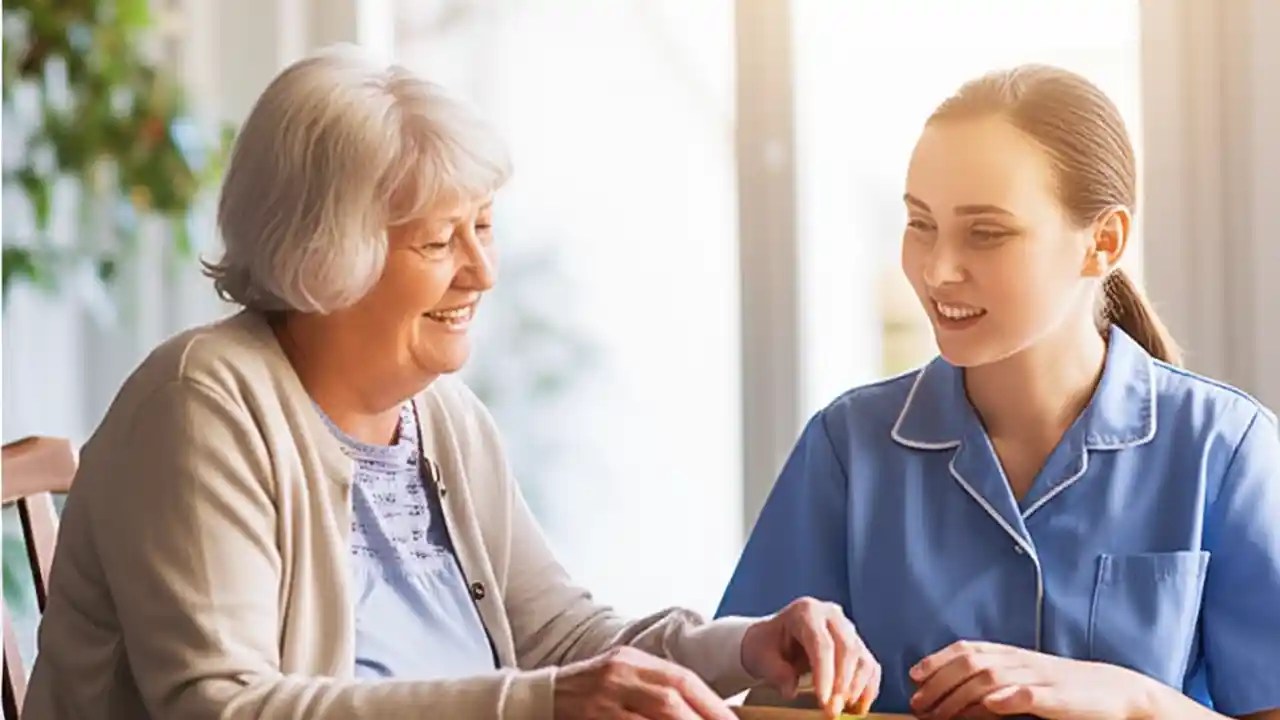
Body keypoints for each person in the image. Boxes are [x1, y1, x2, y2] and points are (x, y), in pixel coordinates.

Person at [24, 46, 878, 719]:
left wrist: (742, 649)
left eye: (485, 228)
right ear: (325, 253)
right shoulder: (201, 405)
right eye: (439, 243)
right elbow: (223, 705)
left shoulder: (442, 418)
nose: (480, 272)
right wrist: (542, 704)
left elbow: (564, 641)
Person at [717, 64, 1280, 720]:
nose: (935, 269)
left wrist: (1132, 699)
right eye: (920, 223)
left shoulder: (1224, 449)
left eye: (986, 232)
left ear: (1103, 242)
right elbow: (757, 698)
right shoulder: (847, 449)